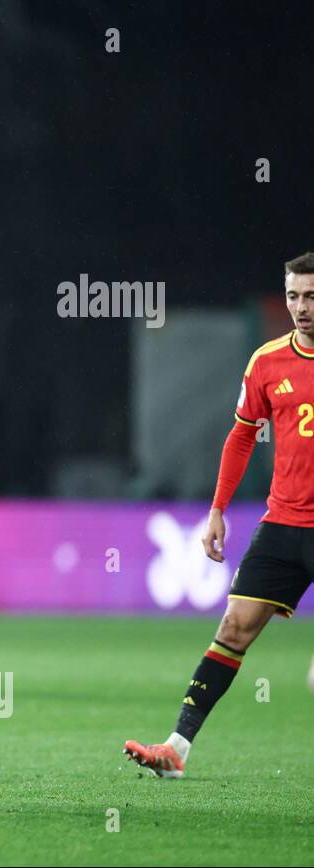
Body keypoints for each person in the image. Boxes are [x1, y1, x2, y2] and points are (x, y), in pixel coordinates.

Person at [125, 251, 314, 777]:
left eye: (312, 296)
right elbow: (242, 436)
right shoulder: (266, 362)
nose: (301, 306)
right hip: (283, 525)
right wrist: (217, 510)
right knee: (233, 628)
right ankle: (176, 750)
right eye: (295, 295)